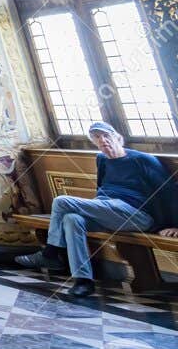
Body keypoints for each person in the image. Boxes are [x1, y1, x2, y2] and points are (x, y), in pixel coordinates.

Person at [16, 122, 178, 297]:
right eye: (98, 139)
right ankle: (83, 281)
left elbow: (168, 193)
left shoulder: (142, 160)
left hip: (137, 215)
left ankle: (50, 253)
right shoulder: (101, 159)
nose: (103, 141)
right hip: (109, 211)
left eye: (106, 136)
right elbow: (102, 190)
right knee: (72, 219)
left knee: (62, 201)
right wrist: (95, 209)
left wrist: (175, 224)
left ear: (118, 138)